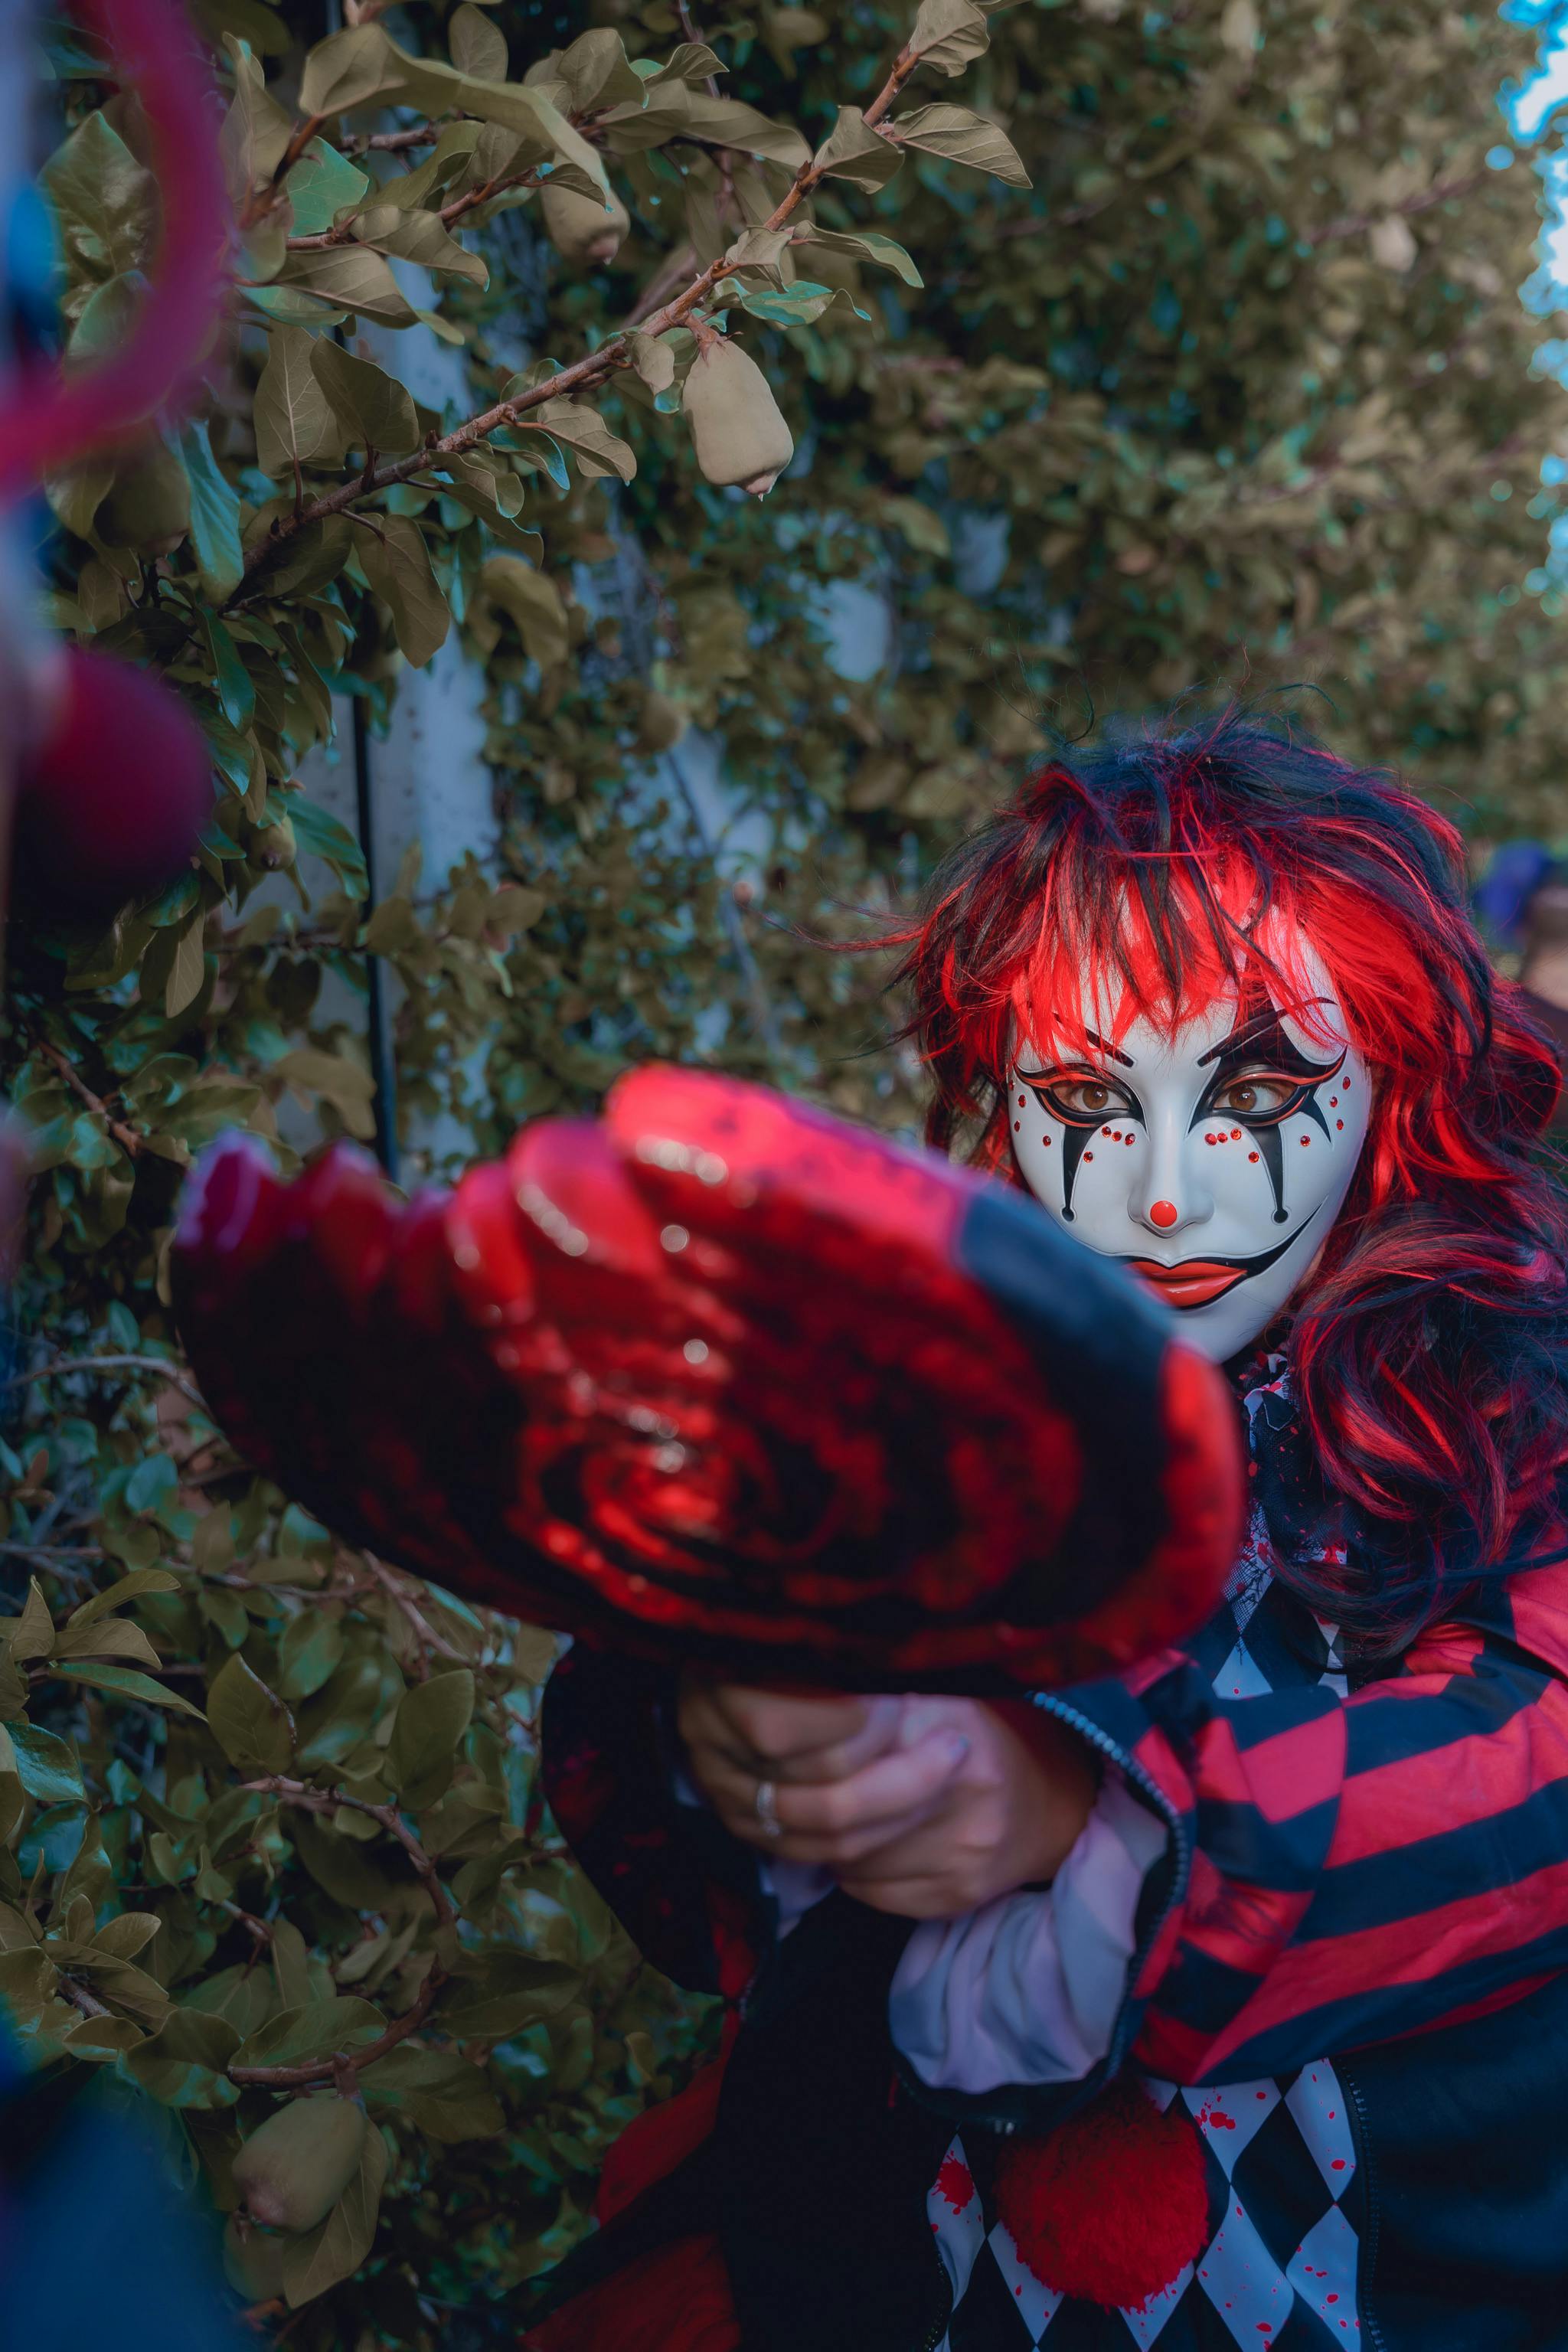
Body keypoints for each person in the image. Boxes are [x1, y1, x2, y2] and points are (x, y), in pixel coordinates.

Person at [528, 711, 1568, 2352]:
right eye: (1086, 1098)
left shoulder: (1514, 1393)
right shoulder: (902, 1397)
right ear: (998, 1099)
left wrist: (1098, 1813)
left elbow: (1525, 1772)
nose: (1161, 1190)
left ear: (1386, 1076)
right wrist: (732, 1727)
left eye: (1252, 1094)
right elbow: (692, 1893)